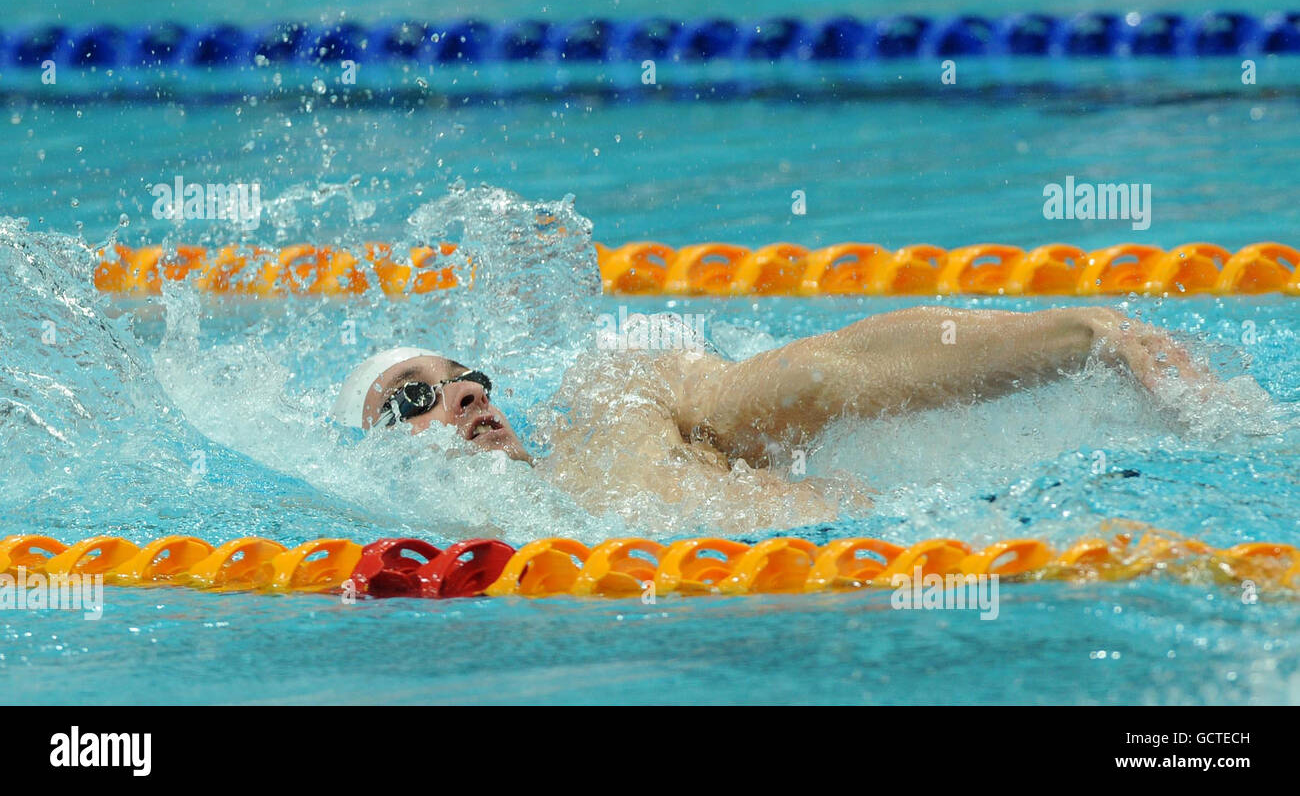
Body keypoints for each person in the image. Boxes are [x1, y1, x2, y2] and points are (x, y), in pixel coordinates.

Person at [331, 306, 1217, 525]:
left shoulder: (616, 414)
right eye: (414, 396)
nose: (466, 395)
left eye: (466, 376)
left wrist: (1081, 338)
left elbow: (821, 378)